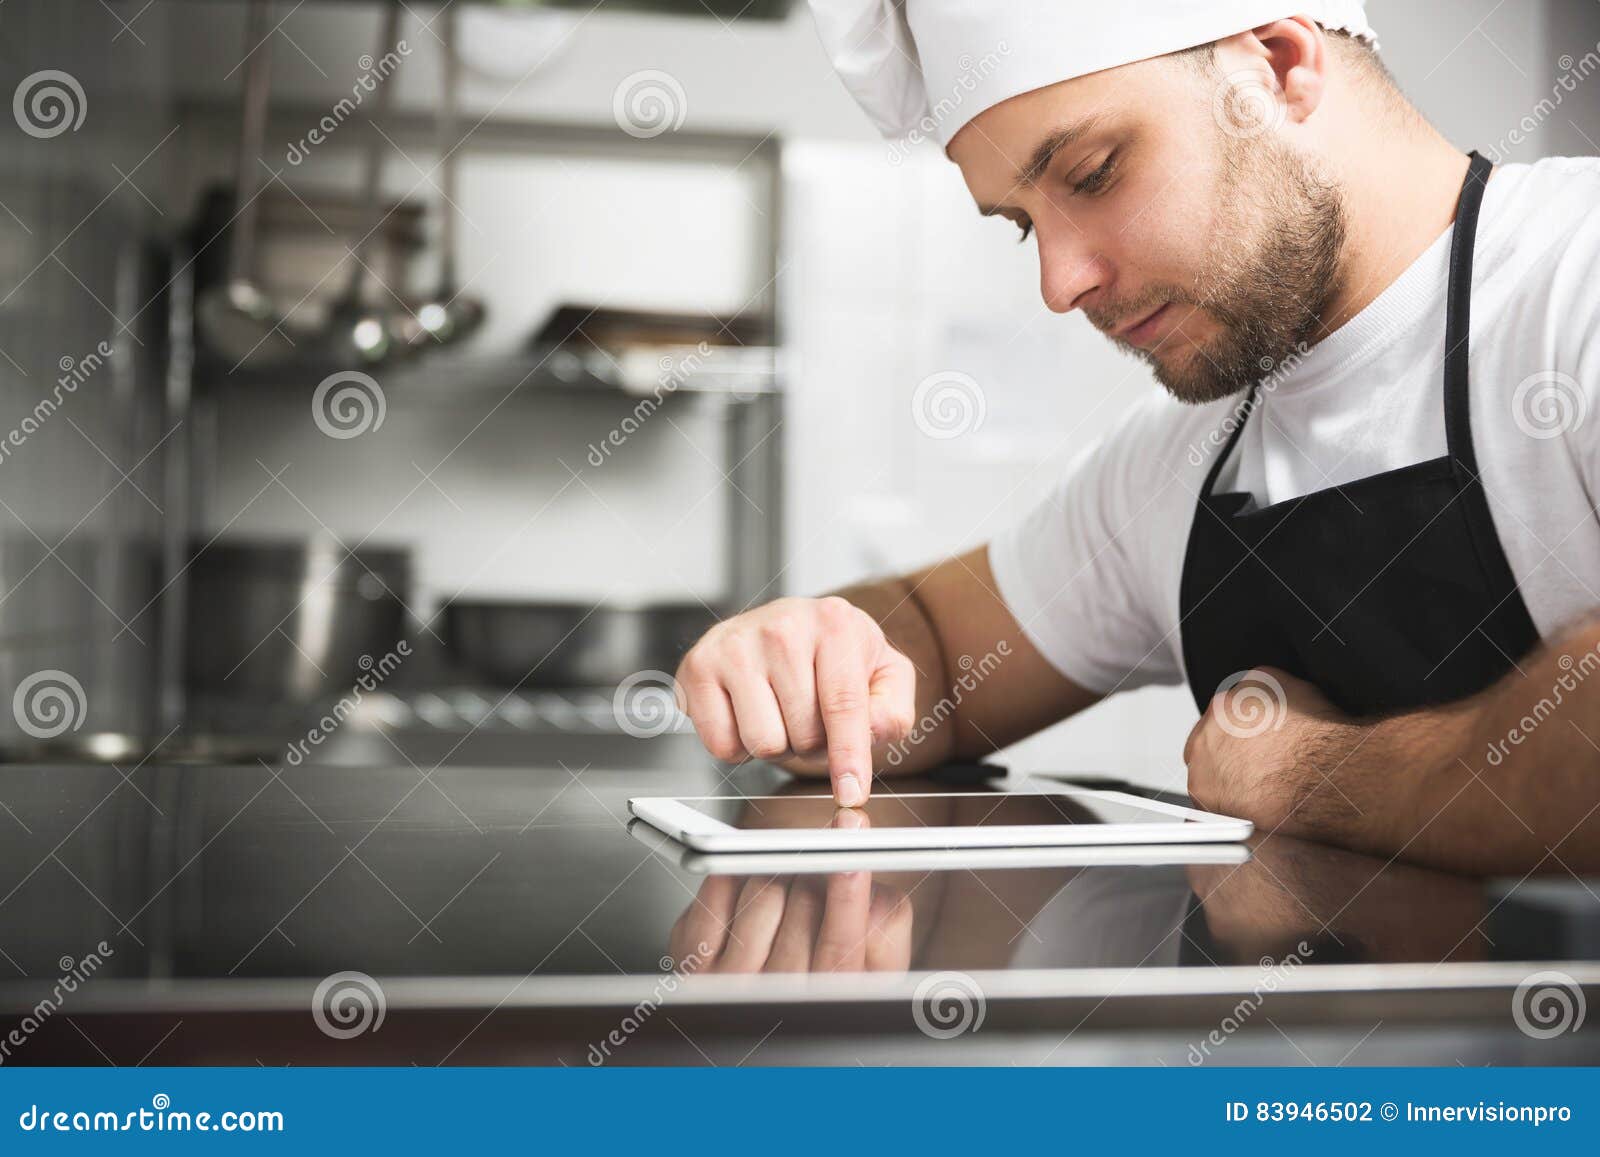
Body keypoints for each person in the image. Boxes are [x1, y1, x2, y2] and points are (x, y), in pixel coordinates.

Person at [673, 2, 1600, 872]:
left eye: (1092, 173)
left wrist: (1309, 775)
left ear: (1275, 68)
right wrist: (813, 661)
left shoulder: (1576, 281)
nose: (1059, 283)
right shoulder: (1183, 459)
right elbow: (940, 648)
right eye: (1021, 225)